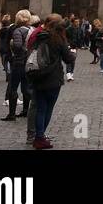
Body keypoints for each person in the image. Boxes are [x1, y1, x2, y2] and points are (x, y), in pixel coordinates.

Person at [28, 14, 77, 149]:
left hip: (37, 75)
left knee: (40, 109)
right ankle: (40, 137)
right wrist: (73, 53)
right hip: (53, 78)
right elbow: (68, 59)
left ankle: (38, 137)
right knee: (48, 109)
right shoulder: (59, 39)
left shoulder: (39, 36)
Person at [2, 10, 33, 122]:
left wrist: (11, 44)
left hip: (19, 62)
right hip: (29, 62)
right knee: (26, 87)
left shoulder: (17, 31)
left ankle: (11, 114)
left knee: (13, 87)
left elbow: (18, 46)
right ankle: (25, 110)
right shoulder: (32, 30)